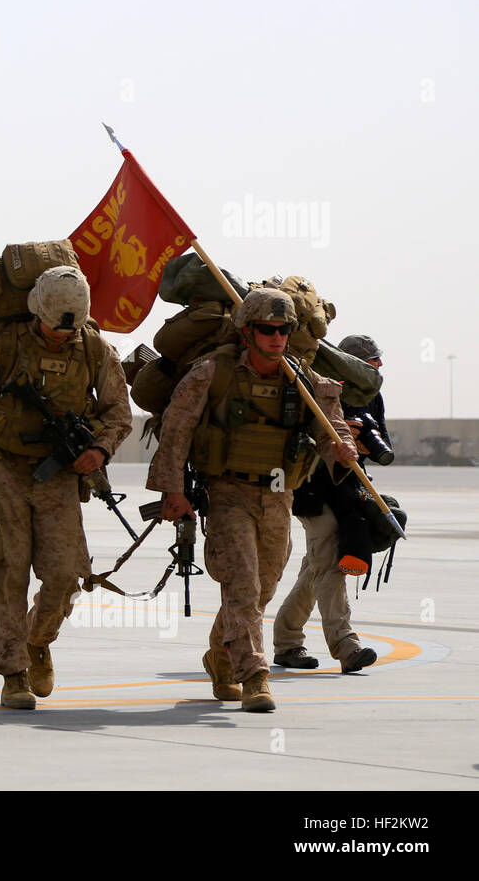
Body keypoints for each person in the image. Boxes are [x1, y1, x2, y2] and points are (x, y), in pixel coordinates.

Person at [148, 288, 358, 712]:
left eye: (284, 330)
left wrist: (342, 446)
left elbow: (329, 423)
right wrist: (172, 491)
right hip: (228, 492)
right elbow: (176, 430)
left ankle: (221, 656)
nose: (277, 337)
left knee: (263, 587)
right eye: (268, 330)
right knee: (242, 584)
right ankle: (255, 676)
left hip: (279, 494)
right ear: (248, 332)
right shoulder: (213, 372)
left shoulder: (300, 378)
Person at [0, 266, 131, 710]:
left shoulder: (96, 350)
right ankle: (13, 671)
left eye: (70, 329)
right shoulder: (3, 345)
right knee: (9, 570)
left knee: (65, 576)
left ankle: (37, 639)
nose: (61, 336)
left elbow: (120, 412)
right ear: (36, 313)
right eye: (52, 327)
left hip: (59, 474)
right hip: (3, 468)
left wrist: (99, 450)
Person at [273, 334, 387, 673]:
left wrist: (359, 444)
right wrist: (332, 440)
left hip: (350, 491)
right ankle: (346, 646)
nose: (376, 370)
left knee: (316, 570)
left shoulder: (370, 396)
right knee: (331, 565)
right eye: (370, 364)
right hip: (313, 489)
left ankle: (287, 641)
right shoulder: (315, 387)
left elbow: (382, 442)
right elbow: (294, 438)